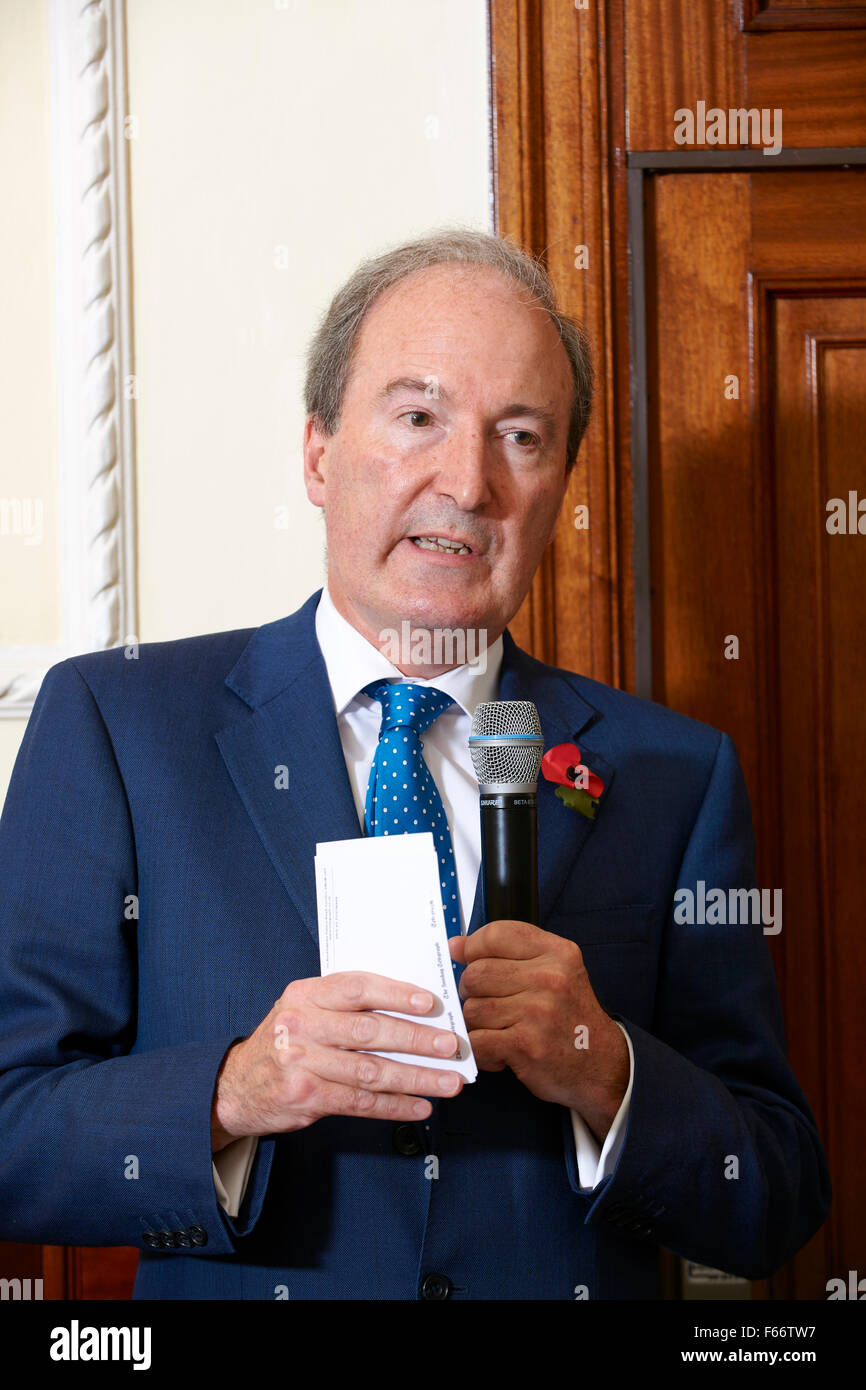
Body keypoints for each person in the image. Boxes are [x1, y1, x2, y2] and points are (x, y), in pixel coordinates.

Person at [0, 229, 830, 1300]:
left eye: (519, 436)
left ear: (557, 485)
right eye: (418, 416)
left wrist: (606, 1070)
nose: (467, 480)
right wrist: (232, 1091)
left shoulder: (674, 773)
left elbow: (772, 1193)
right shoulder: (116, 724)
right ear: (317, 452)